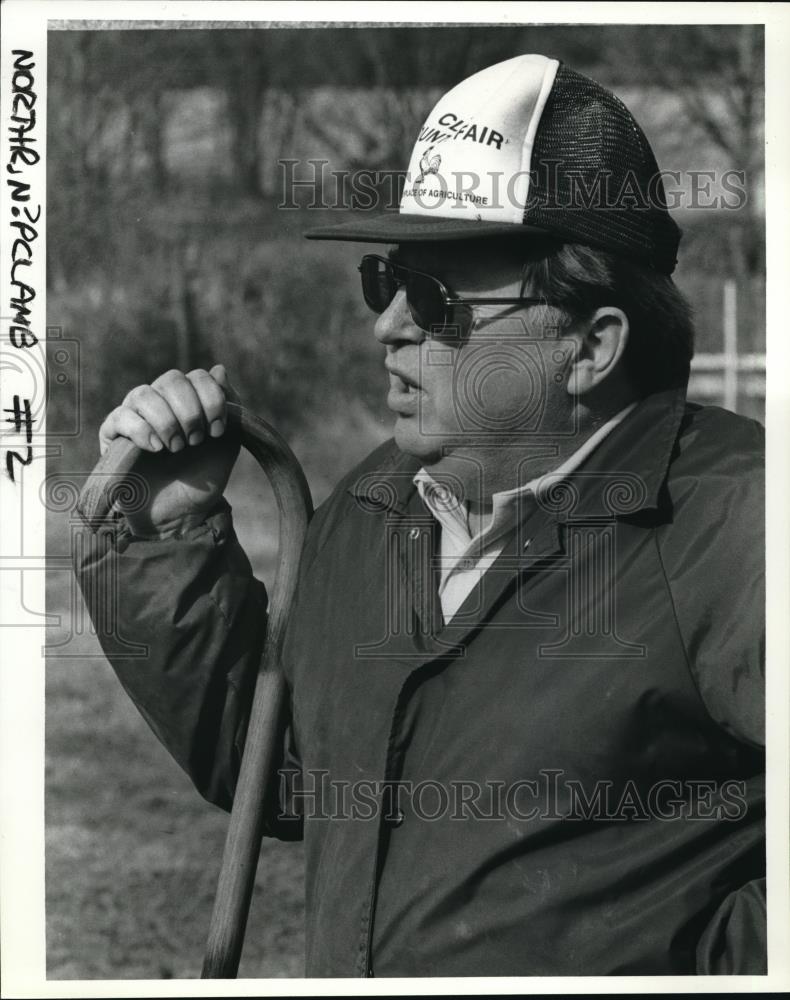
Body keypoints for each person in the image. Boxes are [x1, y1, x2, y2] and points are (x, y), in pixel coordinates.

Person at [75, 54, 765, 976]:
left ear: (592, 347)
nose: (387, 325)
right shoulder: (378, 503)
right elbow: (288, 777)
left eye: (438, 299)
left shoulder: (733, 516)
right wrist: (169, 533)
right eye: (386, 280)